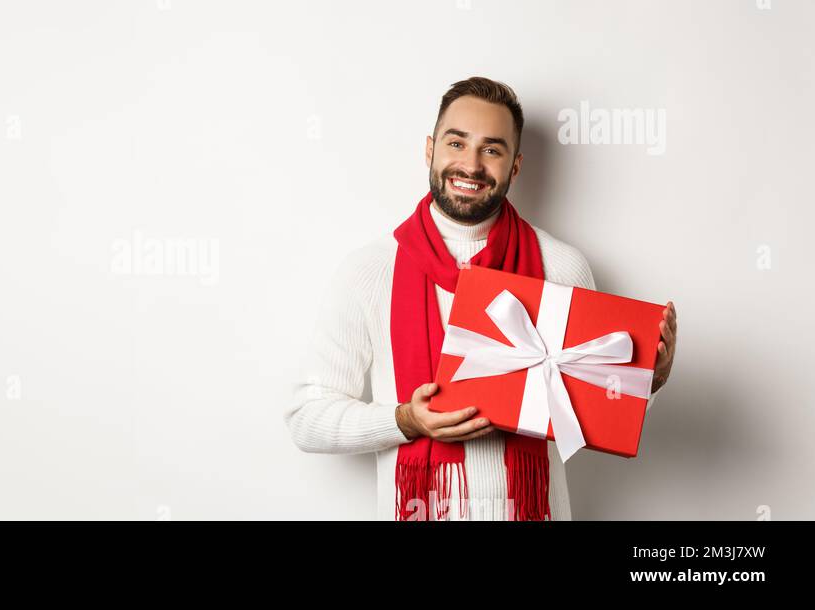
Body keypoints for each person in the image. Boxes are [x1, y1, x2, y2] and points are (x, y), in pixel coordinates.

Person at [284, 77, 678, 520]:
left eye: (492, 149)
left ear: (515, 166)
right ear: (430, 149)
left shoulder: (562, 267)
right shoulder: (370, 270)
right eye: (457, 143)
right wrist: (403, 421)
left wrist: (646, 382)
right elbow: (307, 418)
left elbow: (583, 418)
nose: (470, 165)